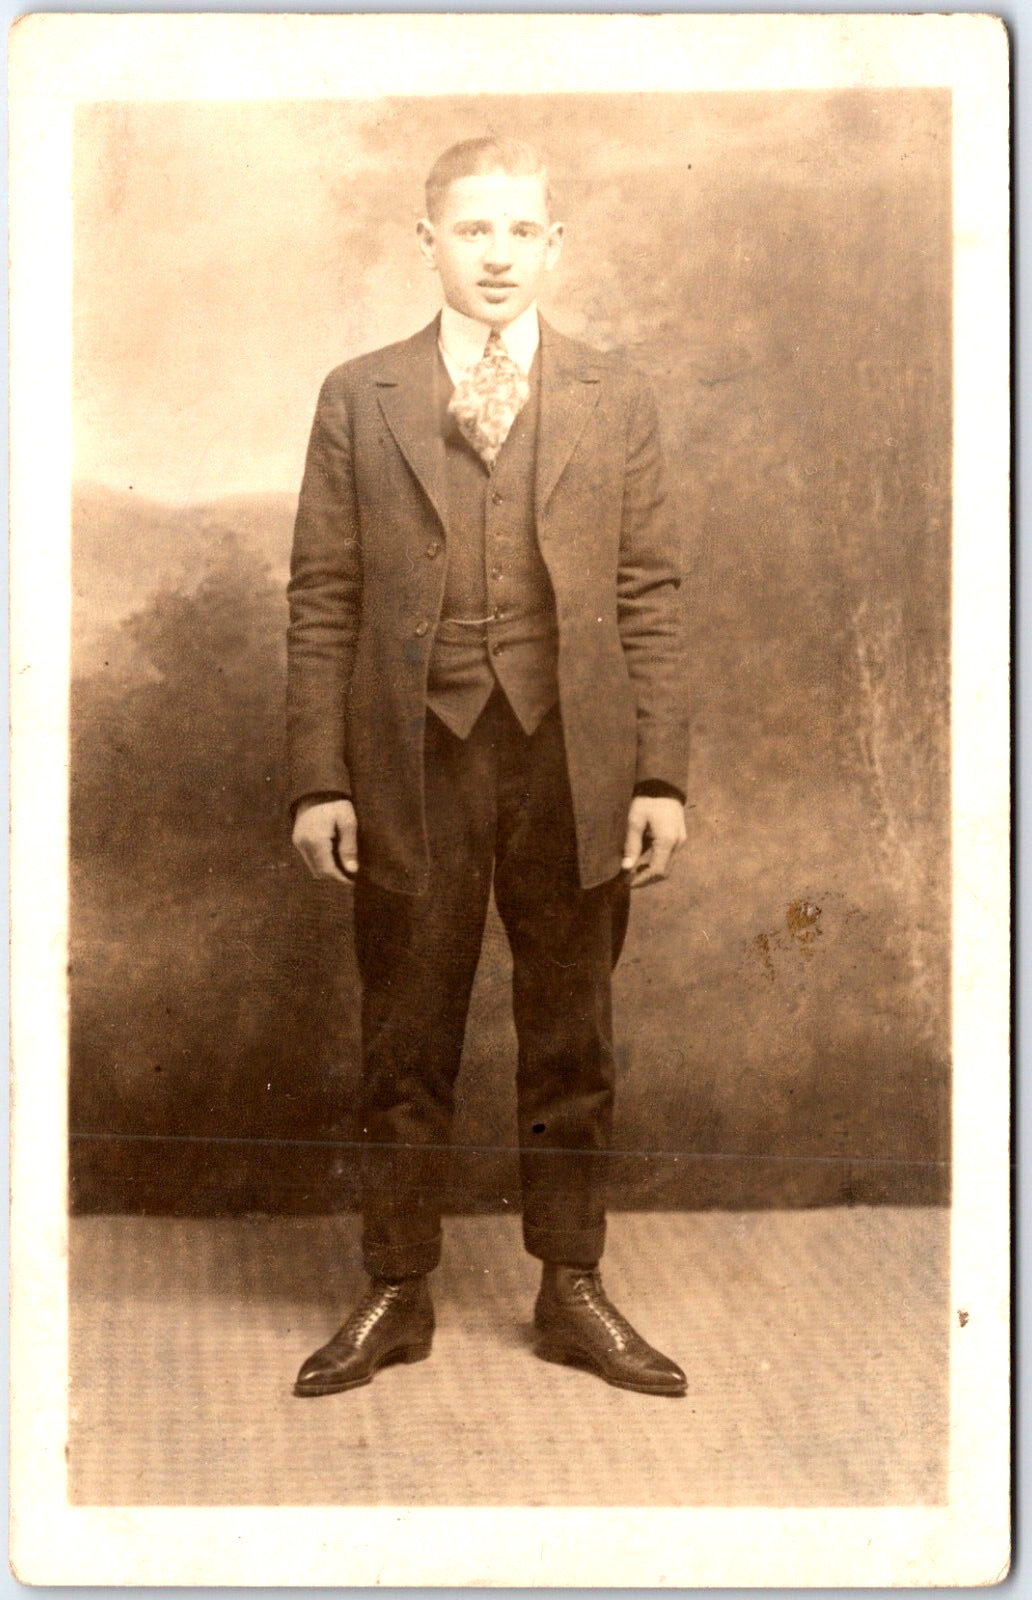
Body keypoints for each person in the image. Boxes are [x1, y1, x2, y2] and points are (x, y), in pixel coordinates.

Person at [286, 136, 689, 1399]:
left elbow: (650, 595)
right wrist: (319, 778)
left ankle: (570, 1286)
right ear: (427, 244)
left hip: (574, 757)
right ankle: (399, 1288)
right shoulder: (363, 394)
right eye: (473, 232)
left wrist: (658, 776)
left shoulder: (615, 396)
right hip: (413, 756)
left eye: (522, 231)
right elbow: (323, 598)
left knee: (573, 1031)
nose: (499, 255)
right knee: (407, 1028)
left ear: (555, 245)